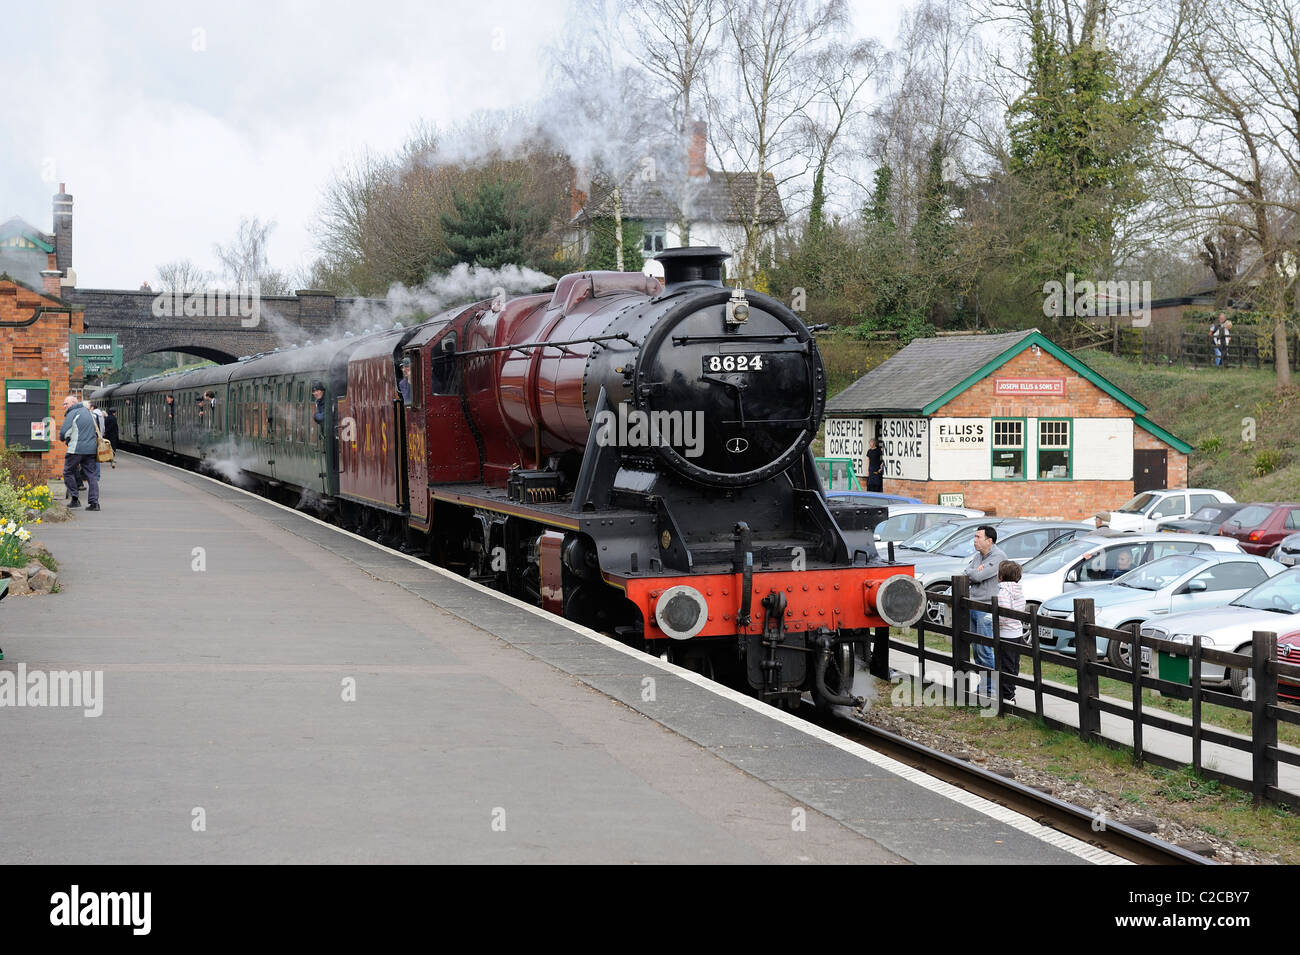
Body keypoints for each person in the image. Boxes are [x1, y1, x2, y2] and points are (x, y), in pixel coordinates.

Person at [964, 525, 1007, 699]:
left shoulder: (998, 557)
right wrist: (974, 571)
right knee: (976, 650)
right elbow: (966, 572)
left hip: (986, 609)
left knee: (985, 650)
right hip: (974, 606)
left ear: (989, 540)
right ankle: (985, 687)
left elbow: (976, 577)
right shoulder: (977, 556)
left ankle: (991, 690)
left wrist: (974, 571)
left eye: (978, 537)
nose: (974, 540)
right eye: (974, 537)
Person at [59, 395, 100, 511]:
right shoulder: (89, 413)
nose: (64, 406)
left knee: (67, 472)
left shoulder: (73, 413)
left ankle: (75, 499)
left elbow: (63, 432)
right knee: (91, 475)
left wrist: (63, 438)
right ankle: (94, 503)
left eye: (66, 403)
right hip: (91, 450)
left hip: (76, 449)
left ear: (73, 403)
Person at [996, 560, 1026, 705]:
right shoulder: (1019, 591)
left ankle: (1007, 696)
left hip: (1005, 633)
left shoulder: (1002, 592)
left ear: (1000, 576)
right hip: (1017, 632)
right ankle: (1011, 692)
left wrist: (994, 619)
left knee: (1006, 665)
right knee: (1014, 665)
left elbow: (1004, 613)